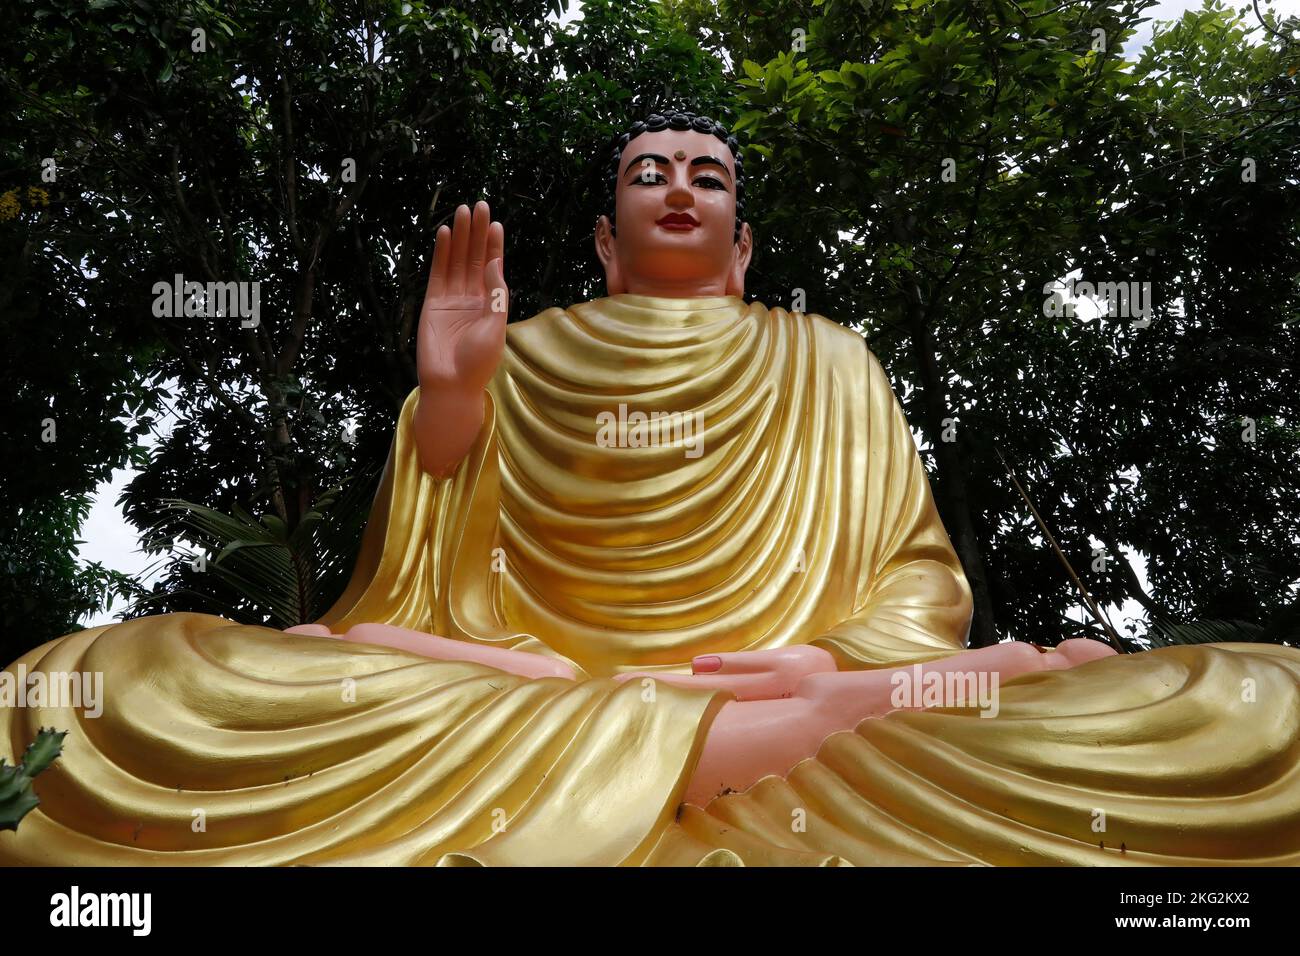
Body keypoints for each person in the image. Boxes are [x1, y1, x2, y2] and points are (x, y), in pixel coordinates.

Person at [3, 112, 1297, 866]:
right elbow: (420, 593)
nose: (679, 186)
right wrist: (452, 400)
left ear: (741, 252)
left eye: (709, 178)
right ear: (604, 243)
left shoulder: (822, 357)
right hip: (521, 691)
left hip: (804, 702)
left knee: (1252, 702)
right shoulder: (523, 355)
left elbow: (907, 571)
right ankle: (705, 759)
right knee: (108, 679)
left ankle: (704, 755)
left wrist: (845, 671)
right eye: (649, 173)